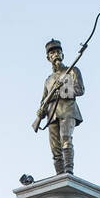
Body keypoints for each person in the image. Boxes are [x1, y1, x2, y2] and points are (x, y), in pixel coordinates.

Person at [33, 38, 85, 175]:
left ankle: (68, 170)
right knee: (55, 149)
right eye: (52, 53)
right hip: (52, 116)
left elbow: (80, 90)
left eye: (57, 52)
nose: (55, 54)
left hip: (68, 110)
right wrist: (40, 113)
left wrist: (61, 91)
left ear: (62, 55)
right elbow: (43, 101)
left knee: (66, 139)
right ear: (48, 58)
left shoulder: (72, 71)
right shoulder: (48, 80)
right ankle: (60, 175)